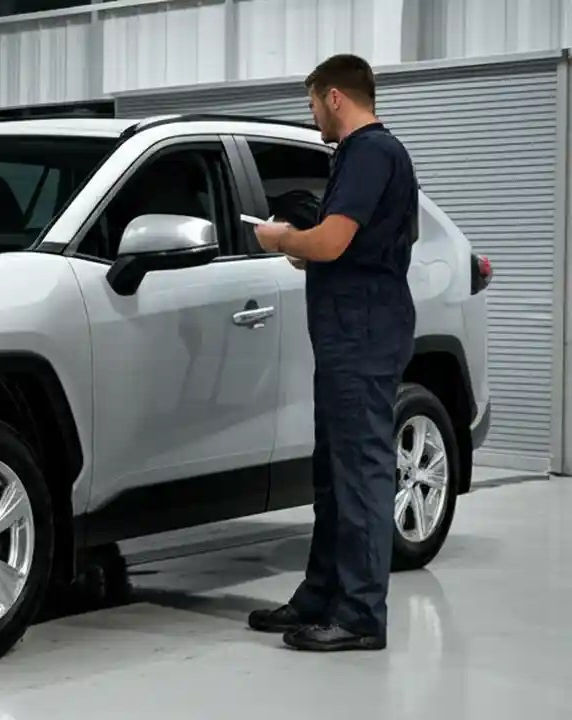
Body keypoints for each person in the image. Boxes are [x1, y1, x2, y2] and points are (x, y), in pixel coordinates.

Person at [249, 54, 419, 652]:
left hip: (363, 333)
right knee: (334, 472)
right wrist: (300, 249)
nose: (313, 114)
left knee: (362, 474)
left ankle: (360, 615)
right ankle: (321, 595)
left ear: (335, 97)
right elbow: (337, 247)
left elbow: (331, 239)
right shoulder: (359, 155)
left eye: (313, 103)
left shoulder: (372, 152)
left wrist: (280, 238)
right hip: (352, 330)